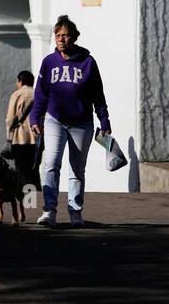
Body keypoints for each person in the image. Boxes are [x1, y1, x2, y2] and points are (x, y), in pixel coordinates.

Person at [28, 14, 111, 228]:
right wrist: (34, 117)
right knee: (51, 164)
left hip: (81, 123)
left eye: (66, 35)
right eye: (58, 35)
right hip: (54, 120)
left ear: (74, 37)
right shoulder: (48, 63)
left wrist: (105, 121)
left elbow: (98, 95)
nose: (61, 39)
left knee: (76, 170)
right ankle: (49, 211)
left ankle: (75, 211)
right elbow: (41, 94)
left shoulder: (88, 63)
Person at [6, 70, 39, 190]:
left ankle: (27, 201)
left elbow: (10, 119)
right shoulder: (38, 93)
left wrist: (9, 134)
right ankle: (35, 200)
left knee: (22, 171)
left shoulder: (17, 94)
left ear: (20, 81)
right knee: (34, 171)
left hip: (21, 138)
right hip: (37, 138)